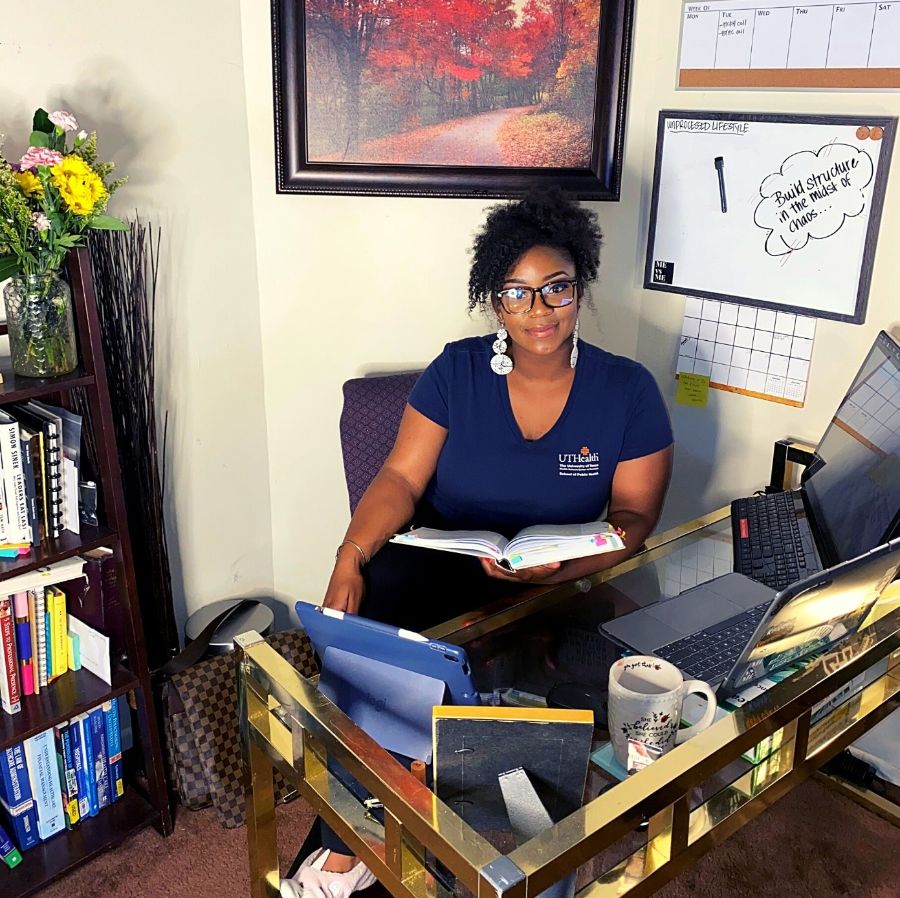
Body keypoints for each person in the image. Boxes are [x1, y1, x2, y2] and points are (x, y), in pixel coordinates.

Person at [280, 187, 673, 898]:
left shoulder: (628, 389)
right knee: (377, 631)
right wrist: (349, 555)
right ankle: (363, 832)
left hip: (561, 583)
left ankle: (522, 859)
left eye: (555, 289)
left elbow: (635, 516)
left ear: (578, 288)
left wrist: (573, 561)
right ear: (495, 301)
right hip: (446, 564)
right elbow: (400, 476)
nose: (538, 311)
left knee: (560, 705)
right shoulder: (457, 371)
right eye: (517, 294)